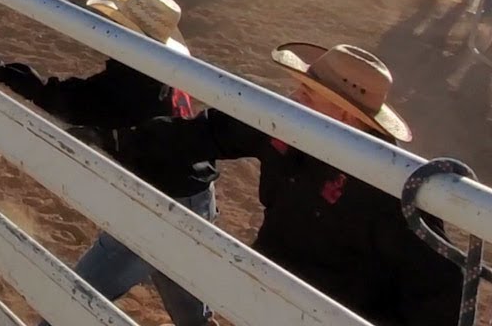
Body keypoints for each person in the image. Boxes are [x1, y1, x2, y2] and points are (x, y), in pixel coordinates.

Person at [115, 43, 462, 326]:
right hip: (271, 291)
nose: (296, 96)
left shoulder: (389, 188)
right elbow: (208, 132)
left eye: (309, 91)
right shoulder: (287, 125)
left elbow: (437, 291)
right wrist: (121, 141)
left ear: (345, 115)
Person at [0, 0, 216, 326]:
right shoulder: (160, 72)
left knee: (75, 299)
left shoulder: (126, 84)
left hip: (154, 210)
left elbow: (59, 97)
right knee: (185, 303)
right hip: (193, 197)